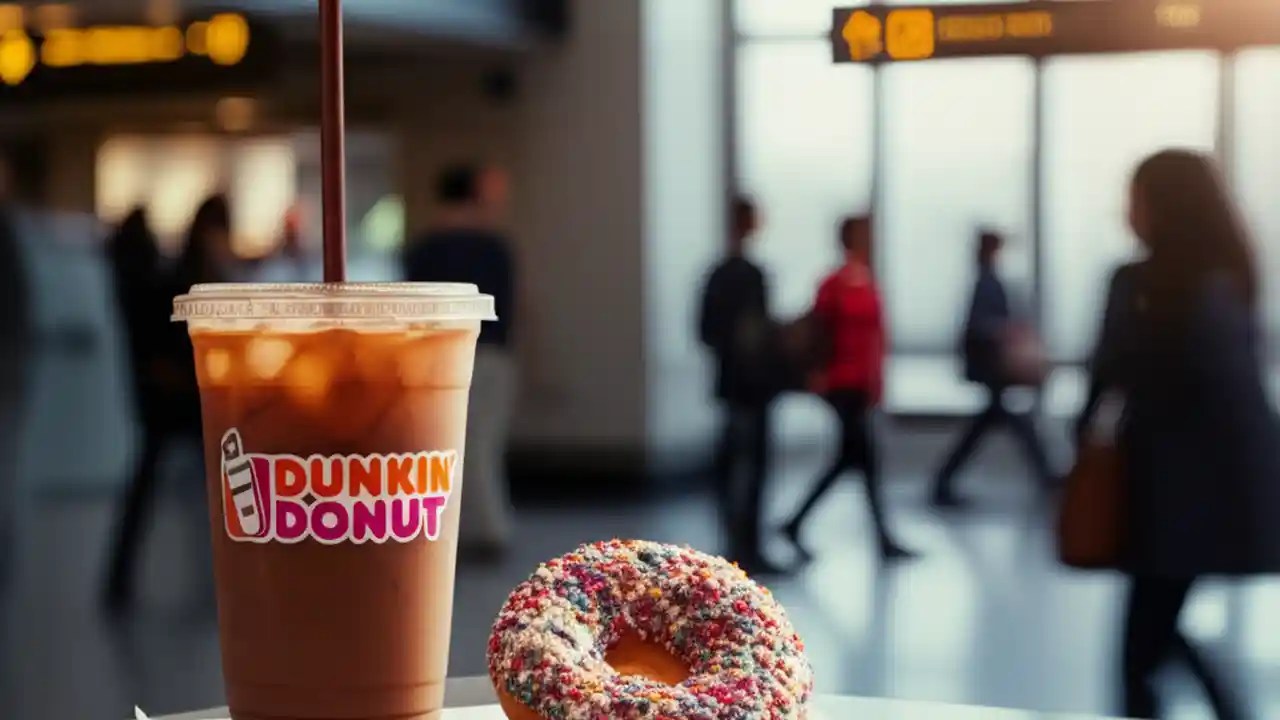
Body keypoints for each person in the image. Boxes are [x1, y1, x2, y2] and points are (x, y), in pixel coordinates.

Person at [1085, 150, 1280, 720]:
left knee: (1143, 638)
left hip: (1162, 485)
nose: (1127, 212)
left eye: (1135, 198)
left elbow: (1109, 374)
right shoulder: (1230, 278)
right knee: (1155, 625)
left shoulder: (1141, 283)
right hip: (1222, 482)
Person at [104, 196, 231, 609]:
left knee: (156, 489)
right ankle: (224, 579)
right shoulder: (187, 277)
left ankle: (120, 582)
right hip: (180, 401)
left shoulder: (177, 271)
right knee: (211, 489)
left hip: (171, 400)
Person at [781, 216, 915, 563]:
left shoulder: (868, 281)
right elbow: (819, 331)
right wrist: (816, 372)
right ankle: (879, 538)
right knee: (860, 458)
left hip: (862, 382)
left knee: (854, 459)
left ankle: (796, 523)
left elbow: (876, 338)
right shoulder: (833, 284)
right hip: (839, 381)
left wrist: (877, 381)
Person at [404, 164, 516, 559]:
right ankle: (487, 529)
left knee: (453, 443)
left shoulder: (424, 248)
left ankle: (465, 527)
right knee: (483, 443)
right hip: (491, 354)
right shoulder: (493, 247)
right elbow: (506, 308)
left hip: (440, 356)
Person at [930, 231, 1056, 509]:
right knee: (1011, 424)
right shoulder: (987, 282)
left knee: (995, 423)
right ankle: (1046, 475)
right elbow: (980, 324)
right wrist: (1005, 330)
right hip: (991, 366)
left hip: (990, 366)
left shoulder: (986, 280)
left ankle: (943, 482)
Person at [698, 197, 785, 575]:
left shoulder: (731, 274)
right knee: (743, 465)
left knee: (742, 464)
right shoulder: (739, 276)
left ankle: (743, 541)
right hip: (745, 384)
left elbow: (706, 331)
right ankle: (742, 542)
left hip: (746, 383)